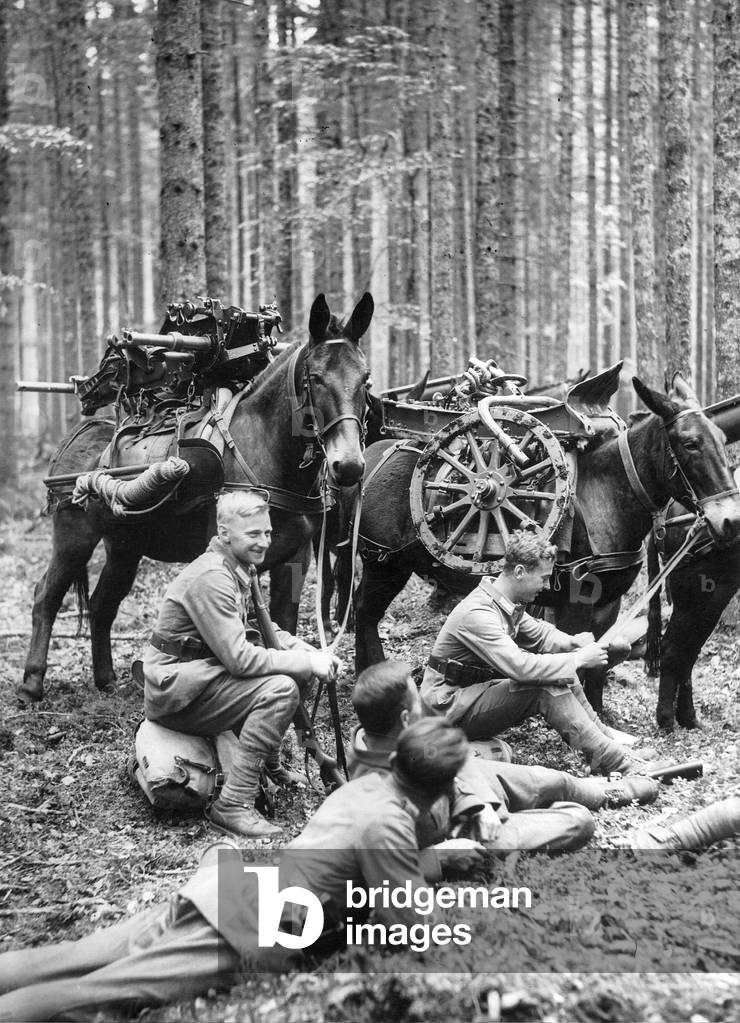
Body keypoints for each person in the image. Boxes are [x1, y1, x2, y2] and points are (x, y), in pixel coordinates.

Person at [0, 719, 483, 1023]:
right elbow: (407, 926)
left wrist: (435, 860)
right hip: (246, 927)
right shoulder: (391, 823)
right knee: (95, 996)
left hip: (232, 889)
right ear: (440, 789)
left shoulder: (367, 789)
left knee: (72, 957)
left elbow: (351, 861)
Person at [142, 488, 341, 839]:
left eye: (267, 533)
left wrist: (307, 653)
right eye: (253, 534)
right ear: (224, 534)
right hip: (177, 693)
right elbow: (240, 659)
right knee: (280, 689)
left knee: (296, 670)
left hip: (202, 679)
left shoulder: (238, 567)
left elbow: (262, 631)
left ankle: (270, 765)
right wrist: (305, 662)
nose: (264, 542)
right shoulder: (213, 578)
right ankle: (232, 805)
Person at [421, 528, 663, 776]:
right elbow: (521, 667)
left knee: (561, 674)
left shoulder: (501, 603)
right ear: (519, 572)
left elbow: (541, 634)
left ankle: (610, 747)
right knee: (543, 687)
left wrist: (574, 643)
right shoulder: (478, 614)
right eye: (543, 577)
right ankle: (618, 764)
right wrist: (579, 659)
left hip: (466, 698)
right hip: (445, 711)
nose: (547, 586)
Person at [350, 660, 659, 853]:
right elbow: (393, 867)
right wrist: (449, 848)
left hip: (470, 787)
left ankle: (614, 791)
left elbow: (456, 759)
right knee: (578, 822)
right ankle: (542, 810)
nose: (423, 707)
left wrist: (478, 802)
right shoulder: (373, 791)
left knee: (555, 779)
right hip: (461, 832)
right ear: (404, 718)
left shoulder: (390, 730)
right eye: (417, 702)